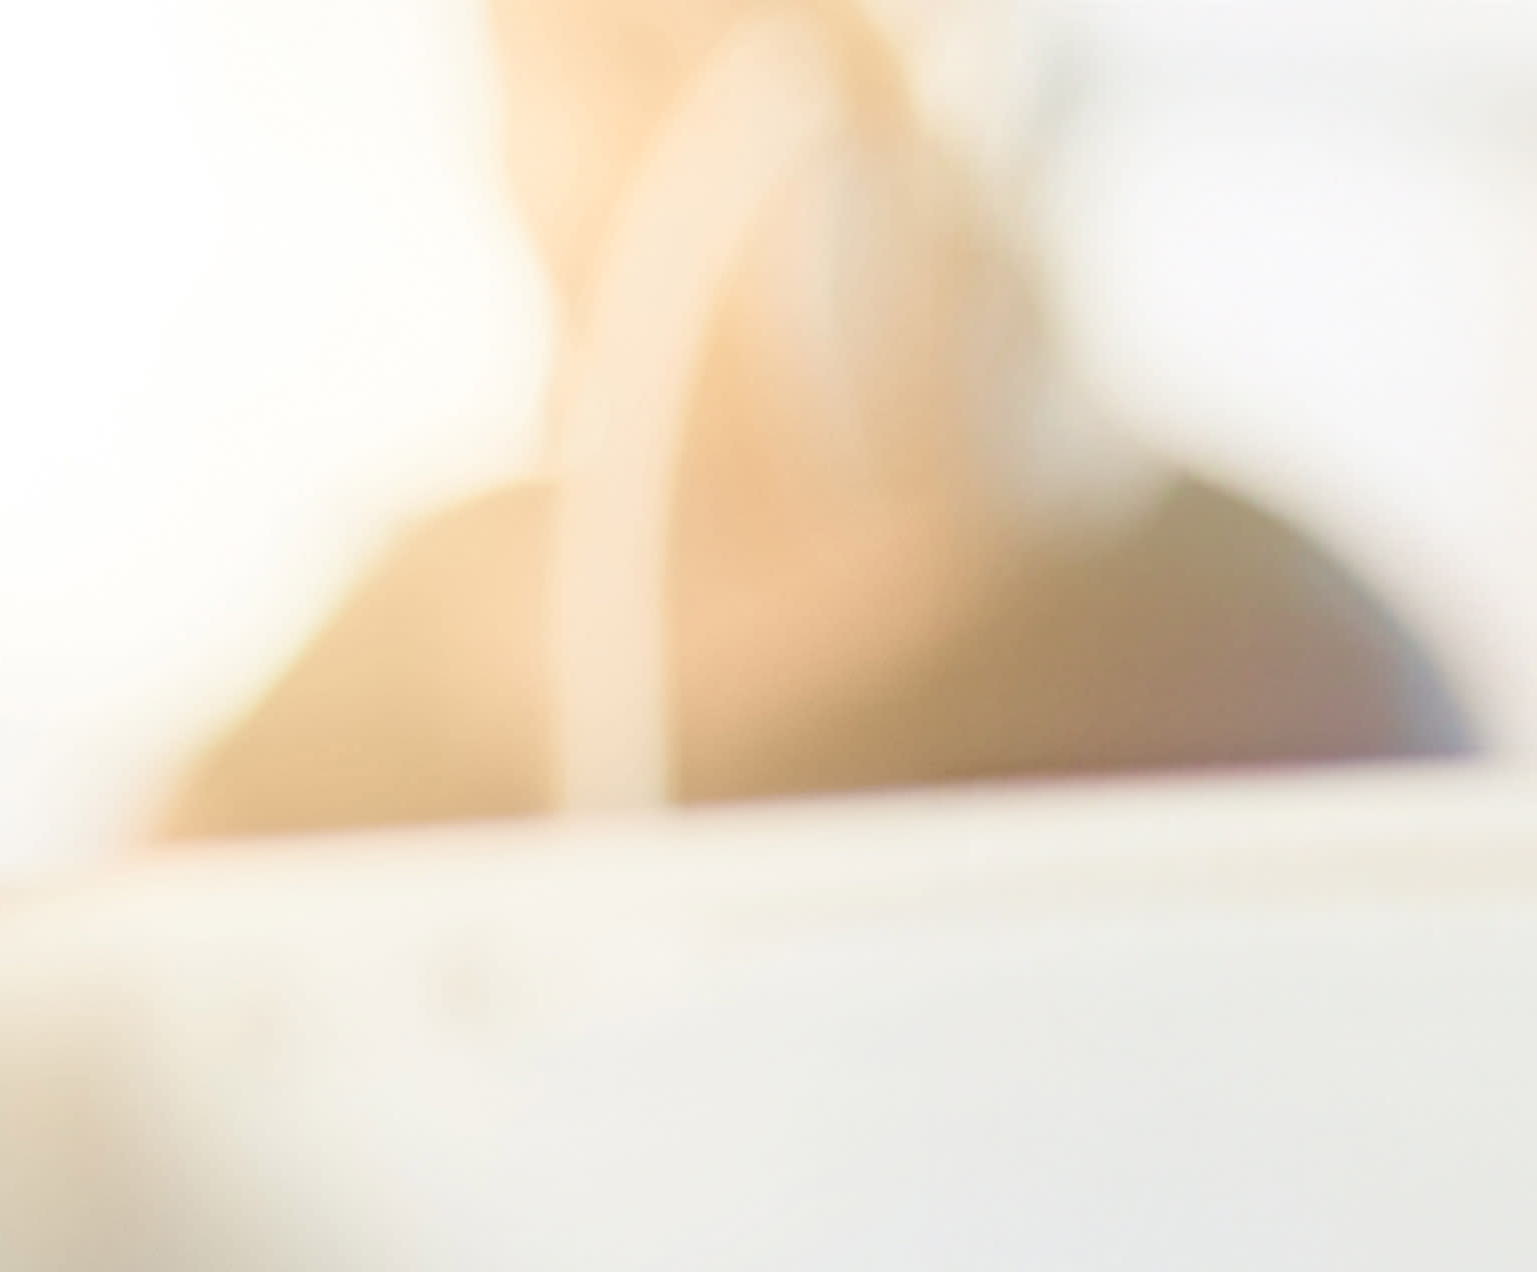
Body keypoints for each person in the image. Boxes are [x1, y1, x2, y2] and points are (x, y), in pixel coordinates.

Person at [173, 0, 1469, 837]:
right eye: (534, 72)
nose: (572, 176)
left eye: (645, 67)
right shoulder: (398, 643)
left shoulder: (1278, 671)